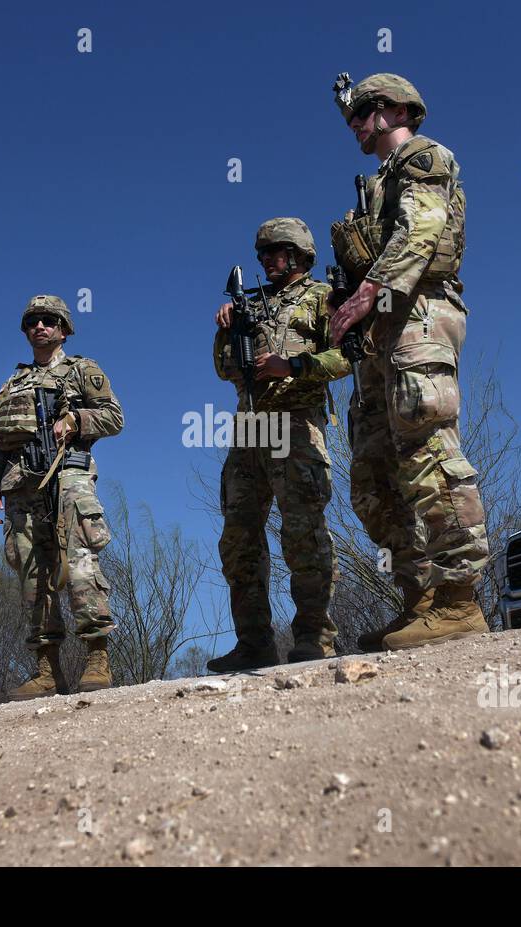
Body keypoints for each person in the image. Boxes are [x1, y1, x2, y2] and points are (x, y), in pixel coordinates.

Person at [327, 73, 491, 650]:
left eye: (362, 112)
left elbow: (422, 231)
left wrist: (365, 294)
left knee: (428, 449)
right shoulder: (376, 183)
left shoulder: (423, 156)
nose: (353, 124)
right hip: (380, 334)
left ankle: (458, 600)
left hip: (417, 312)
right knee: (373, 478)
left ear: (395, 109)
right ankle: (419, 599)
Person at [208, 219, 351, 672]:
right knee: (238, 539)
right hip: (249, 429)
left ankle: (314, 635)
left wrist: (292, 366)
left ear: (300, 254)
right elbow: (223, 369)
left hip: (295, 424)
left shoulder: (322, 297)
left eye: (275, 251)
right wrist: (225, 329)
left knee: (303, 532)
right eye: (262, 254)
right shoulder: (248, 305)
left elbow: (348, 354)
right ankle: (254, 643)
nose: (267, 260)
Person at [0, 295, 123, 697]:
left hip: (69, 476)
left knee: (79, 566)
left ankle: (97, 659)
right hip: (20, 486)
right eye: (32, 322)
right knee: (32, 576)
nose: (40, 327)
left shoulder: (82, 370)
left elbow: (115, 417)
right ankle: (46, 670)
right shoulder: (13, 383)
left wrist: (76, 419)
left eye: (48, 320)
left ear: (63, 329)